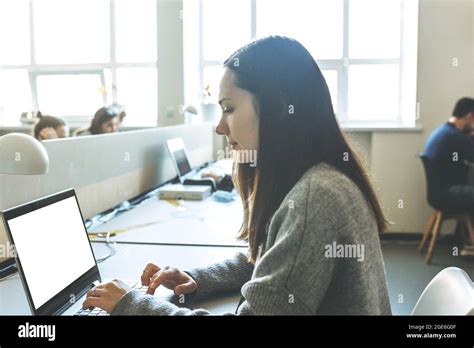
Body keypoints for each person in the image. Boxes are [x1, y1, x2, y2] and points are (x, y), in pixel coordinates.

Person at [82, 36, 391, 315]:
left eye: (228, 108)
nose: (219, 127)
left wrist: (132, 305)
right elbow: (274, 263)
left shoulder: (315, 197)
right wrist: (200, 279)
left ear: (281, 106)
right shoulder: (321, 178)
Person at [423, 97, 474, 251]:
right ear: (470, 116)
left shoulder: (443, 131)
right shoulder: (455, 136)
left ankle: (464, 240)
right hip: (445, 194)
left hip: (437, 193)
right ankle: (469, 243)